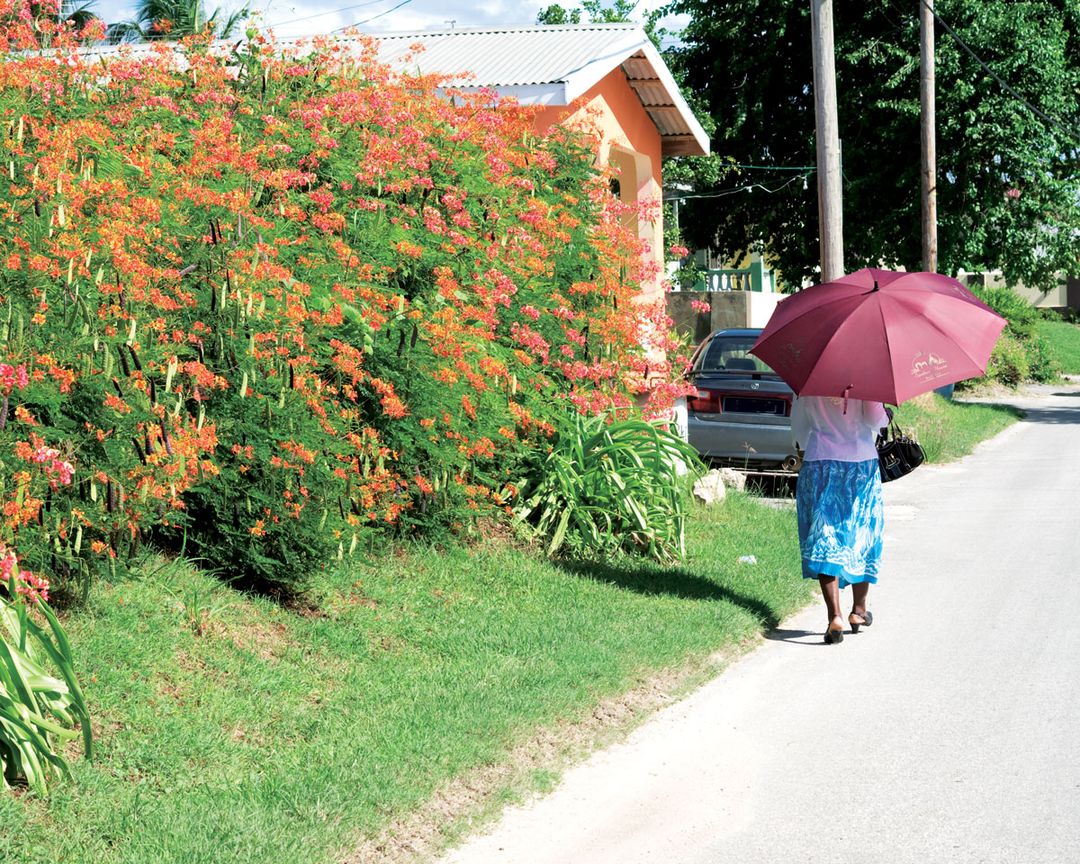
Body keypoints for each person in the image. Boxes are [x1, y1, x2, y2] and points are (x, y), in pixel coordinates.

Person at [791, 395, 889, 644]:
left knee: (824, 536)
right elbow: (874, 418)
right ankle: (859, 610)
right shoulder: (866, 377)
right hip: (860, 464)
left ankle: (834, 616)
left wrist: (806, 444)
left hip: (818, 461)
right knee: (863, 534)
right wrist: (887, 415)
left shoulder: (810, 377)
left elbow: (799, 425)